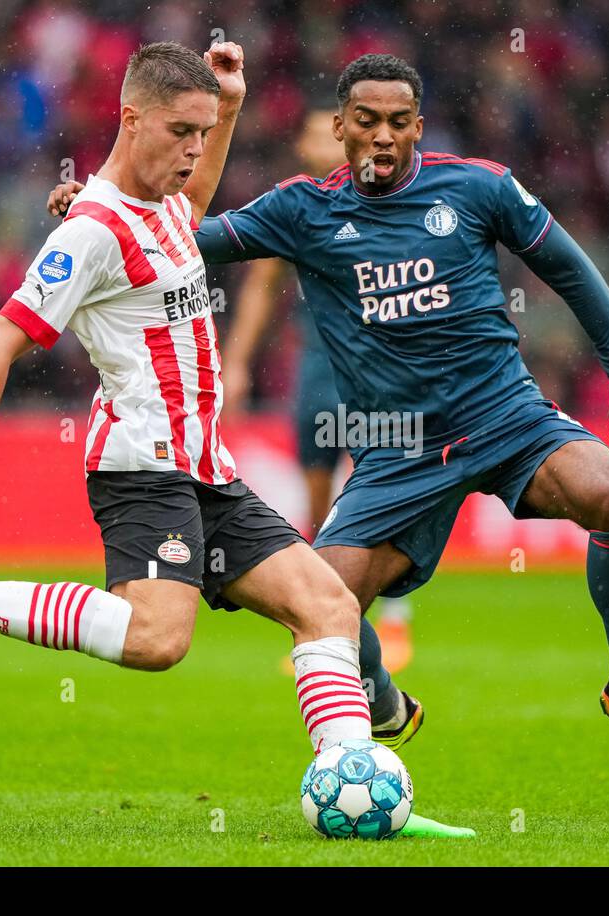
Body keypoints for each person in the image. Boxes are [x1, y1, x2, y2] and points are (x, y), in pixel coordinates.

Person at [51, 53, 609, 783]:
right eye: (366, 122)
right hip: (398, 453)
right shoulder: (302, 209)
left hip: (506, 418)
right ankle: (385, 703)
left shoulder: (478, 186)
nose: (383, 136)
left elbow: (570, 269)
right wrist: (97, 206)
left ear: (418, 126)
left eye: (399, 122)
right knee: (322, 597)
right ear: (341, 128)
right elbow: (178, 243)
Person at [0, 42, 378, 764]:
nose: (194, 150)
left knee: (330, 606)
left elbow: (194, 202)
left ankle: (357, 784)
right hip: (142, 468)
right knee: (158, 640)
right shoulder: (90, 232)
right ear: (130, 119)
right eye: (181, 132)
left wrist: (232, 106)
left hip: (206, 468)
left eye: (202, 133)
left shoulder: (165, 208)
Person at [221, 105, 415, 677]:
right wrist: (236, 362)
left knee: (380, 489)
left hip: (380, 370)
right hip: (316, 369)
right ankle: (325, 624)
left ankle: (394, 624)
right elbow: (260, 288)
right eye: (307, 133)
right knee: (316, 499)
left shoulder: (390, 206)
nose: (318, 143)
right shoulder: (301, 211)